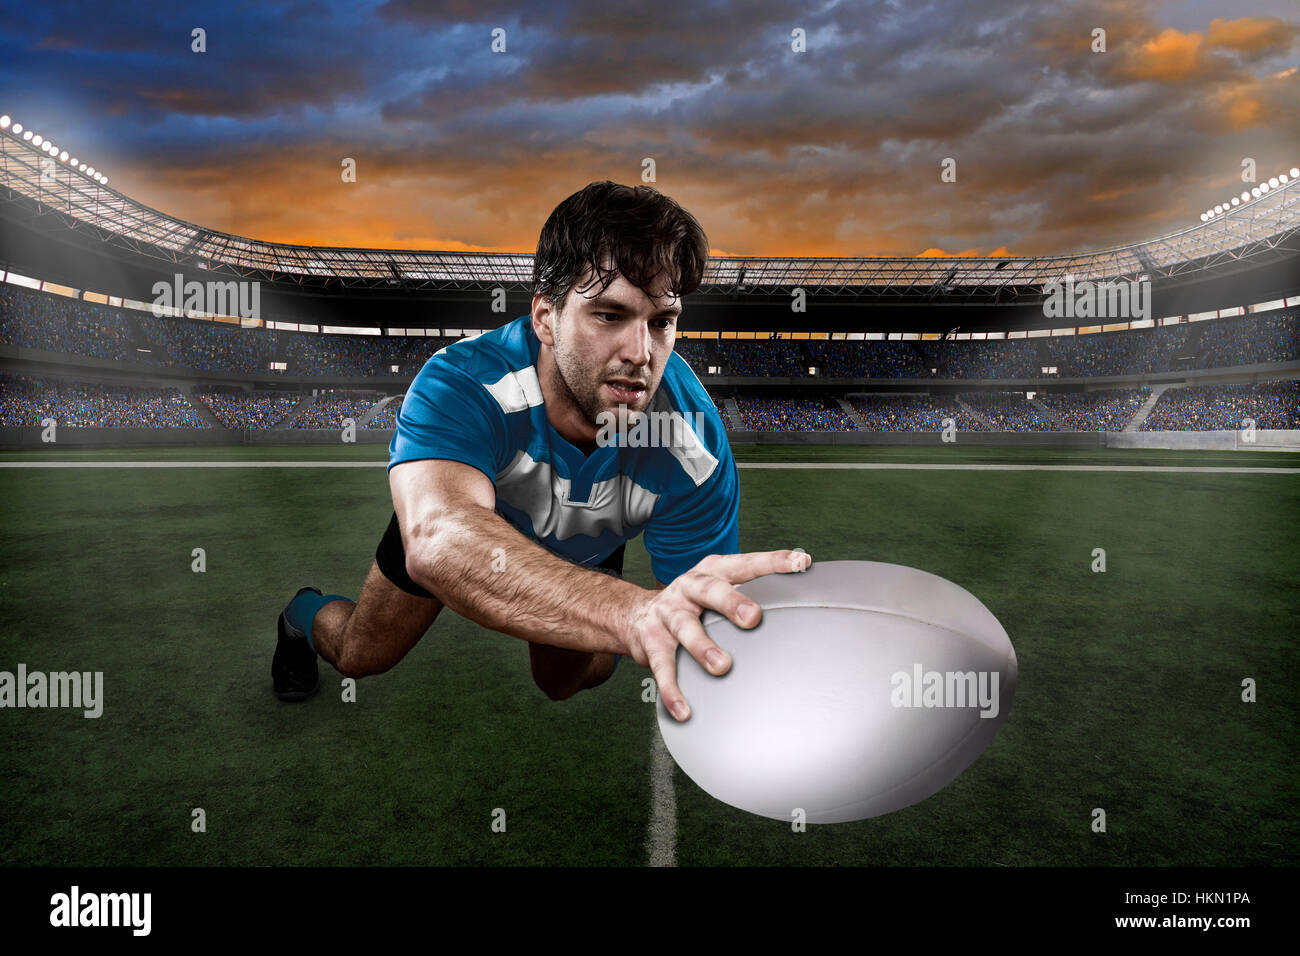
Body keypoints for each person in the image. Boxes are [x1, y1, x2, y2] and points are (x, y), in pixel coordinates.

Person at [271, 181, 810, 721]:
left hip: (587, 546)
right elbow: (438, 537)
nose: (641, 353)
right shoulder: (463, 380)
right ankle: (301, 612)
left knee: (564, 682)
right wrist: (626, 610)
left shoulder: (695, 444)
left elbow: (695, 615)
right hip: (470, 517)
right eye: (609, 315)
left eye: (661, 321)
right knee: (361, 654)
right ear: (545, 318)